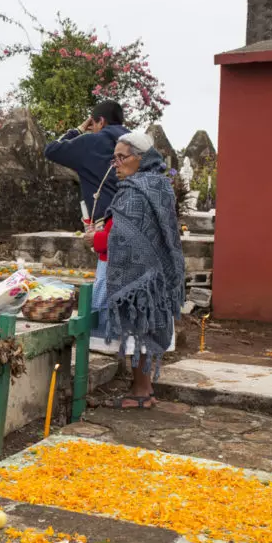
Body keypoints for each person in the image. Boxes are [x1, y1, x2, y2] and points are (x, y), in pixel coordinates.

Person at [104, 131, 185, 409]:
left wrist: (98, 240)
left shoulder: (134, 192)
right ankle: (145, 389)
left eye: (122, 157)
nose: (116, 163)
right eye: (113, 157)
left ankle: (140, 392)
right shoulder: (159, 185)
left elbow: (124, 237)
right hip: (157, 273)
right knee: (146, 328)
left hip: (139, 275)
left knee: (138, 327)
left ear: (140, 158)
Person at [44, 100, 129, 351]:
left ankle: (101, 342)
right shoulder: (135, 143)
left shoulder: (94, 141)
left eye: (93, 124)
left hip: (109, 225)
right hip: (137, 221)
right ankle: (120, 337)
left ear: (99, 121)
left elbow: (52, 150)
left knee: (105, 282)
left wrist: (80, 129)